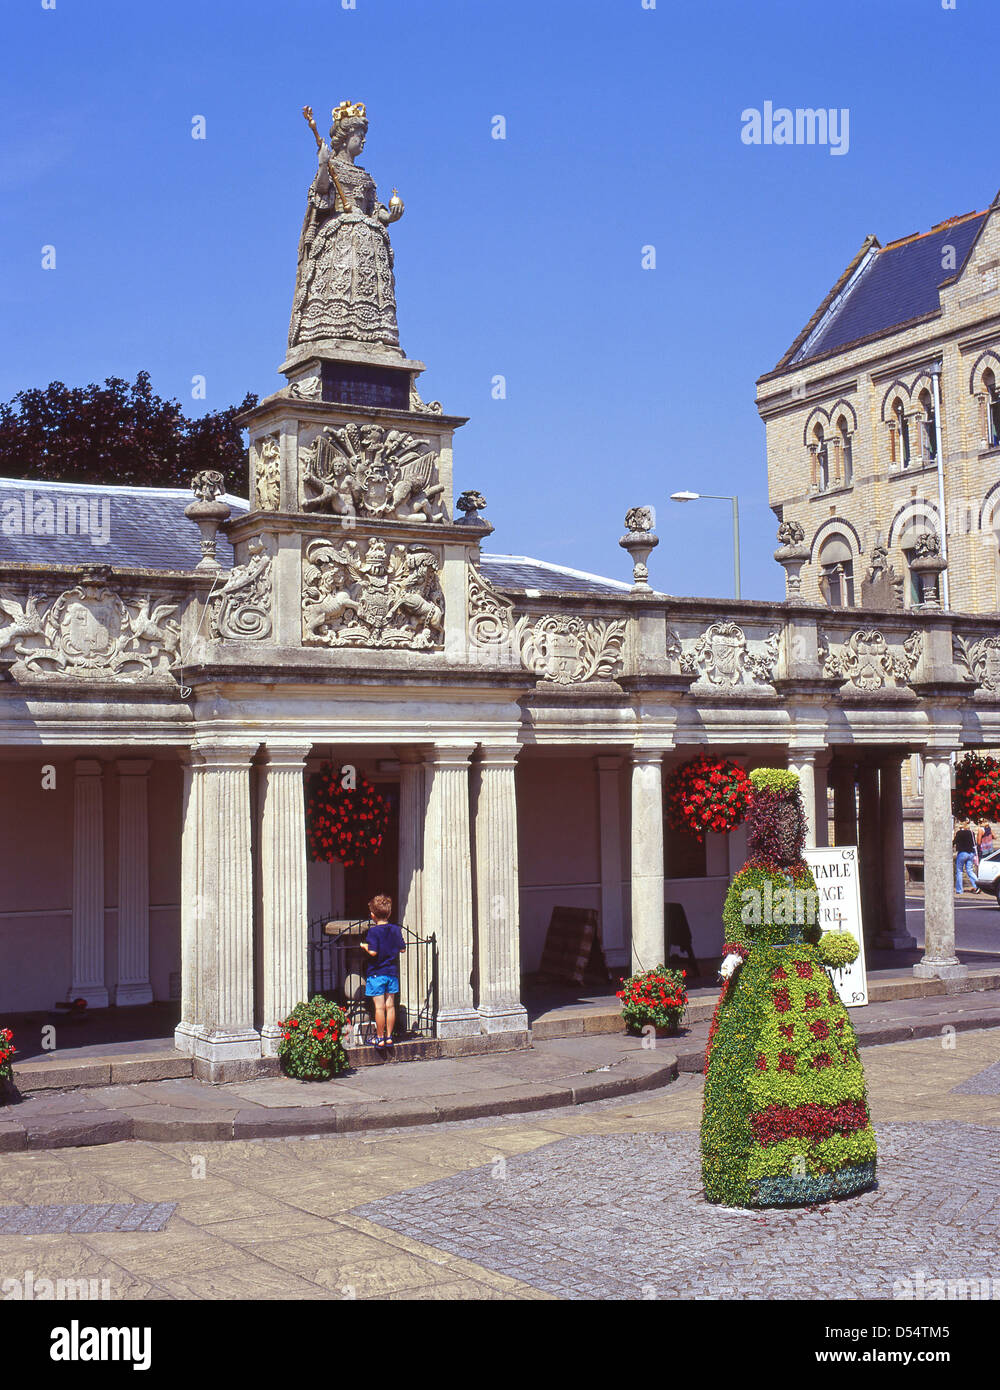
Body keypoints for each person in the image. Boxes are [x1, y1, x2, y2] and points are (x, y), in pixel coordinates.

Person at [701, 768, 876, 1207]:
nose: (789, 829)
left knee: (821, 1068)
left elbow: (813, 931)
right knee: (763, 1071)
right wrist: (734, 952)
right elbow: (736, 925)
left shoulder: (802, 879)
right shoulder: (747, 880)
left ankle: (836, 1166)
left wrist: (832, 947)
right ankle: (758, 1172)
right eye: (780, 821)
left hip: (810, 984)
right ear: (763, 825)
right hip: (763, 984)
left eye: (793, 821)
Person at [360, 894, 405, 1050]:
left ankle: (379, 1038)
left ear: (372, 915)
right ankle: (389, 1037)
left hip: (376, 973)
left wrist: (365, 946)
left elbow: (373, 952)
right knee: (390, 1006)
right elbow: (402, 948)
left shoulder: (373, 932)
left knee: (379, 1008)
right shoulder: (395, 929)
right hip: (391, 973)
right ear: (389, 913)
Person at [954, 821, 978, 894]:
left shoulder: (959, 833)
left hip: (962, 853)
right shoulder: (972, 833)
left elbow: (954, 841)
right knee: (970, 870)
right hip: (971, 853)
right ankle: (977, 886)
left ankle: (959, 890)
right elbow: (974, 843)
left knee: (959, 871)